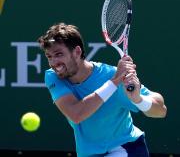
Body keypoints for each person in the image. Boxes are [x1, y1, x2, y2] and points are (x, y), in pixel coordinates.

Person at [37, 22, 167, 157]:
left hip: (126, 149)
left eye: (58, 54)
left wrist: (138, 99)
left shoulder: (112, 75)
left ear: (77, 52)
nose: (53, 63)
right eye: (49, 56)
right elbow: (76, 114)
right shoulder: (53, 77)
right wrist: (113, 83)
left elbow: (161, 110)